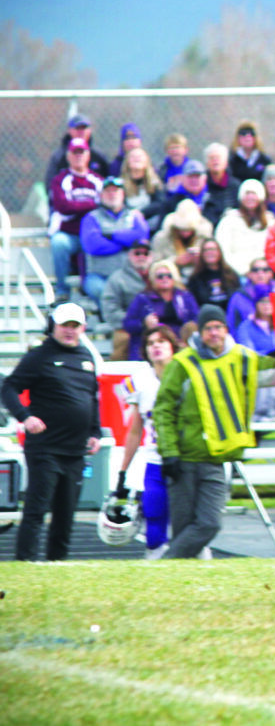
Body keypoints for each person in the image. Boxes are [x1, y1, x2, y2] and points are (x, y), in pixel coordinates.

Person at [153, 304, 275, 558]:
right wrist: (169, 453)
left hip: (218, 457)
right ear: (199, 331)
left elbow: (274, 369)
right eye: (208, 328)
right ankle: (177, 579)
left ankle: (164, 565)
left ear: (226, 329)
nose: (213, 333)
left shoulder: (242, 357)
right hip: (184, 458)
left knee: (209, 523)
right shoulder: (183, 363)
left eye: (218, 327)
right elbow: (163, 410)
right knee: (184, 527)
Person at [1, 303, 101, 561]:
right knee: (37, 509)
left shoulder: (86, 357)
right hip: (46, 447)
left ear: (83, 328)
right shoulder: (39, 356)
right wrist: (25, 417)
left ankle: (57, 564)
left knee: (66, 514)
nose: (69, 330)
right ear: (53, 326)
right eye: (64, 325)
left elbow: (92, 397)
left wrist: (95, 431)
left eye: (74, 325)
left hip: (76, 449)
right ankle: (26, 561)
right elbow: (9, 387)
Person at [115, 325, 184, 559]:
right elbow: (135, 430)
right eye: (151, 342)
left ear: (173, 346)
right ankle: (155, 567)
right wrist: (123, 470)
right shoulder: (139, 380)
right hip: (155, 460)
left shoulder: (187, 374)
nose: (156, 346)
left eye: (162, 341)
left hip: (188, 459)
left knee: (189, 524)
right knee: (154, 518)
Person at [48, 136, 103, 302]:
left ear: (88, 155)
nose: (78, 156)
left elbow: (105, 205)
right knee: (58, 243)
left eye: (82, 152)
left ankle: (89, 287)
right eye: (74, 152)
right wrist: (92, 204)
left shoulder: (97, 180)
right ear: (68, 156)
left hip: (91, 234)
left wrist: (78, 206)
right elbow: (63, 207)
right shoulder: (61, 180)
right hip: (69, 233)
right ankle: (62, 289)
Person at [79, 177, 149, 307]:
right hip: (99, 276)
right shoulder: (91, 218)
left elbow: (141, 237)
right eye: (108, 191)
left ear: (122, 194)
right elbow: (93, 245)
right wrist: (124, 243)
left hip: (130, 275)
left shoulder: (134, 216)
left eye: (115, 191)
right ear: (101, 195)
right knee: (102, 290)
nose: (112, 194)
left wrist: (111, 235)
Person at [122, 260, 200, 360]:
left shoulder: (185, 296)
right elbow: (127, 324)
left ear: (174, 277)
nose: (165, 279)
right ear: (153, 279)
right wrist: (144, 323)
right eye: (160, 276)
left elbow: (196, 320)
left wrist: (185, 336)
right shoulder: (142, 298)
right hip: (152, 345)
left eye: (169, 275)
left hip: (180, 344)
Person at [101, 239, 153, 360]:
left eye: (146, 253)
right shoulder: (117, 278)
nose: (141, 257)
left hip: (158, 325)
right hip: (127, 327)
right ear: (129, 255)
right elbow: (110, 310)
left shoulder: (160, 275)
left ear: (152, 256)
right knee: (122, 339)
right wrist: (136, 322)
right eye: (137, 253)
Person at [214, 179, 275, 275]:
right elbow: (223, 251)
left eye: (254, 193)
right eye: (247, 193)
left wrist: (264, 271)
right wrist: (244, 272)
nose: (250, 197)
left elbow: (274, 250)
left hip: (265, 273)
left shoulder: (270, 222)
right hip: (236, 273)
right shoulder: (228, 220)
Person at [151, 197, 213, 283]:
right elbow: (154, 266)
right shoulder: (161, 238)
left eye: (188, 230)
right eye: (181, 230)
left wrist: (201, 260)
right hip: (170, 281)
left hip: (200, 280)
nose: (185, 233)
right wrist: (175, 261)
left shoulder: (205, 237)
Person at [44, 113, 109, 192]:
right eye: (78, 128)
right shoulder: (59, 156)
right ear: (69, 130)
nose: (81, 132)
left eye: (84, 128)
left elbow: (108, 181)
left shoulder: (98, 156)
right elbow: (50, 184)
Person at [226, 258, 275, 335]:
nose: (260, 273)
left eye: (265, 270)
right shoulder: (238, 297)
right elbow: (232, 325)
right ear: (249, 274)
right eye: (255, 270)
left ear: (271, 273)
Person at [187, 237, 241, 310]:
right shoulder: (195, 278)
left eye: (213, 249)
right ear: (202, 254)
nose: (210, 252)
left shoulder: (231, 274)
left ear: (219, 252)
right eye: (206, 250)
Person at [119, 146, 165, 230]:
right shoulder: (120, 184)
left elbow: (160, 203)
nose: (136, 158)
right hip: (127, 224)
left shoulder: (155, 183)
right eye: (133, 157)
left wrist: (141, 213)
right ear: (127, 162)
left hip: (150, 224)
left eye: (140, 156)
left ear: (146, 161)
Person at [202, 142, 240, 225]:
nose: (215, 161)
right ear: (207, 163)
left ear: (226, 163)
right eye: (212, 158)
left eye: (218, 158)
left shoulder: (235, 186)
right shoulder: (202, 184)